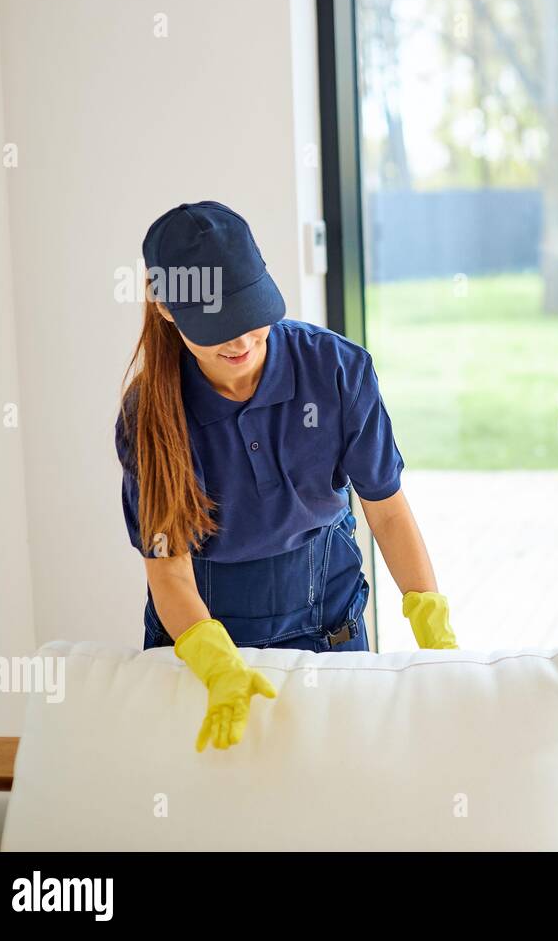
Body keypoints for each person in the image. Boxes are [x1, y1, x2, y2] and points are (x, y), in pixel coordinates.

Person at [116, 200, 457, 753]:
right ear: (166, 309)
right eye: (217, 326)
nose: (242, 341)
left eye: (251, 314)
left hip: (330, 630)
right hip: (204, 638)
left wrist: (433, 628)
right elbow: (169, 572)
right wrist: (217, 664)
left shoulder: (337, 371)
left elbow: (388, 513)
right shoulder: (150, 417)